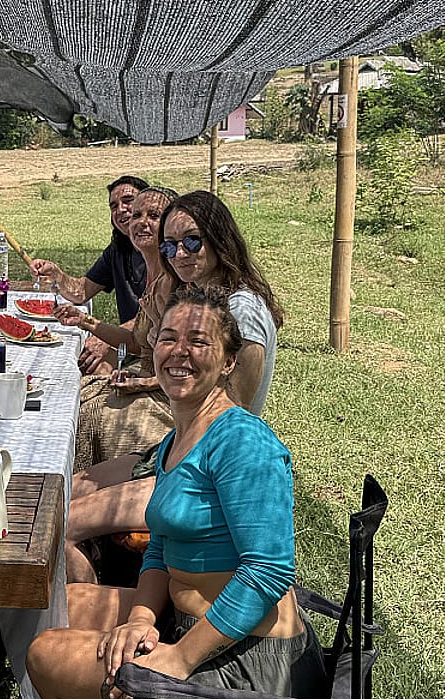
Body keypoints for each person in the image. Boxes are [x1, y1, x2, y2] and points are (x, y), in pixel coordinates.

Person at [26, 286, 323, 699]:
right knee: (66, 602)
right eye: (168, 337)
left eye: (198, 341)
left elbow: (268, 571)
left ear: (227, 362)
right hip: (187, 621)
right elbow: (162, 544)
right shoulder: (175, 441)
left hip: (251, 667)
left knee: (45, 654)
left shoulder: (243, 441)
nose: (178, 351)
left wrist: (178, 660)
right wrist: (141, 619)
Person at [65, 190, 284, 583]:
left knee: (59, 527)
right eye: (169, 245)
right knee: (69, 490)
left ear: (219, 238)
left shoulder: (242, 312)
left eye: (192, 241)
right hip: (173, 455)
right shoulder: (201, 301)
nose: (179, 253)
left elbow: (232, 414)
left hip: (204, 479)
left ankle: (95, 611)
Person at [52, 186, 178, 471]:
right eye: (137, 215)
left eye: (154, 215)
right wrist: (84, 321)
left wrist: (143, 383)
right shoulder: (153, 276)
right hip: (144, 380)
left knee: (87, 413)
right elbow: (136, 342)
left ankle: (89, 485)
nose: (140, 222)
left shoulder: (177, 284)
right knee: (65, 397)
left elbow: (189, 370)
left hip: (165, 397)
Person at [30, 175, 149, 375]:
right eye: (113, 206)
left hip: (154, 346)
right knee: (80, 368)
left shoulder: (168, 253)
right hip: (129, 342)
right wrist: (57, 274)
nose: (120, 209)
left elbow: (157, 317)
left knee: (96, 372)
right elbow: (82, 291)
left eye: (128, 201)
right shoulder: (118, 249)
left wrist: (106, 337)